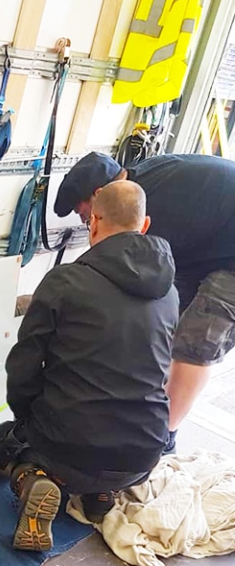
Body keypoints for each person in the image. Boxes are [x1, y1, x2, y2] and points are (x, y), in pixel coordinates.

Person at [0, 180, 178, 550]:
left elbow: (22, 368)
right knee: (97, 446)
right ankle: (101, 494)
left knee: (7, 445)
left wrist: (27, 420)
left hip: (70, 444)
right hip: (144, 451)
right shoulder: (169, 291)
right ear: (146, 225)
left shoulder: (65, 282)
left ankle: (34, 480)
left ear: (93, 223)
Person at [54, 151, 235, 453]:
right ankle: (145, 415)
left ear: (99, 194)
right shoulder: (137, 188)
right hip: (207, 246)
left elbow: (119, 272)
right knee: (163, 326)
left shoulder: (151, 205)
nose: (86, 223)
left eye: (85, 215)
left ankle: (161, 438)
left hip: (229, 259)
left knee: (196, 341)